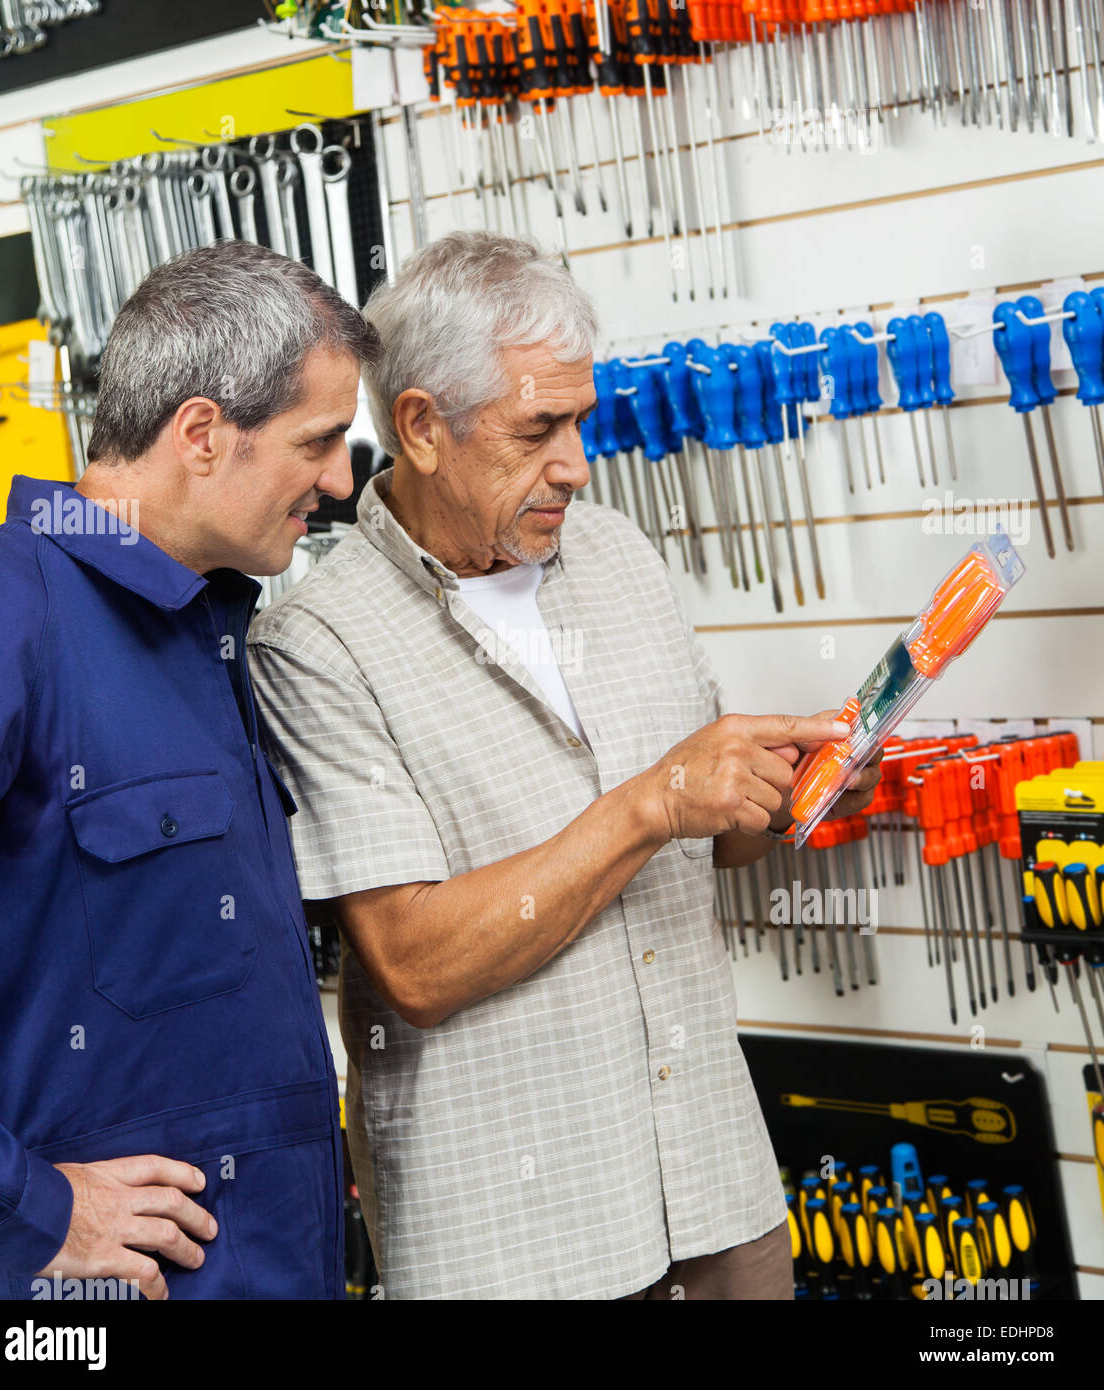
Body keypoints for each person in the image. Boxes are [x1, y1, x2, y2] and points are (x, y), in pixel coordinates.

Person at [248, 230, 881, 1300]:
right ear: (421, 428)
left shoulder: (619, 556)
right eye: (538, 428)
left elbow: (705, 839)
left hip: (713, 1183)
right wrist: (652, 802)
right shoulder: (318, 643)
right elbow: (414, 964)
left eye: (580, 421)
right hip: (522, 1241)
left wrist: (784, 793)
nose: (576, 465)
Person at [0, 240, 379, 1300]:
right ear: (200, 434)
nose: (339, 480)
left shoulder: (215, 631)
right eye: (318, 441)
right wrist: (32, 1208)